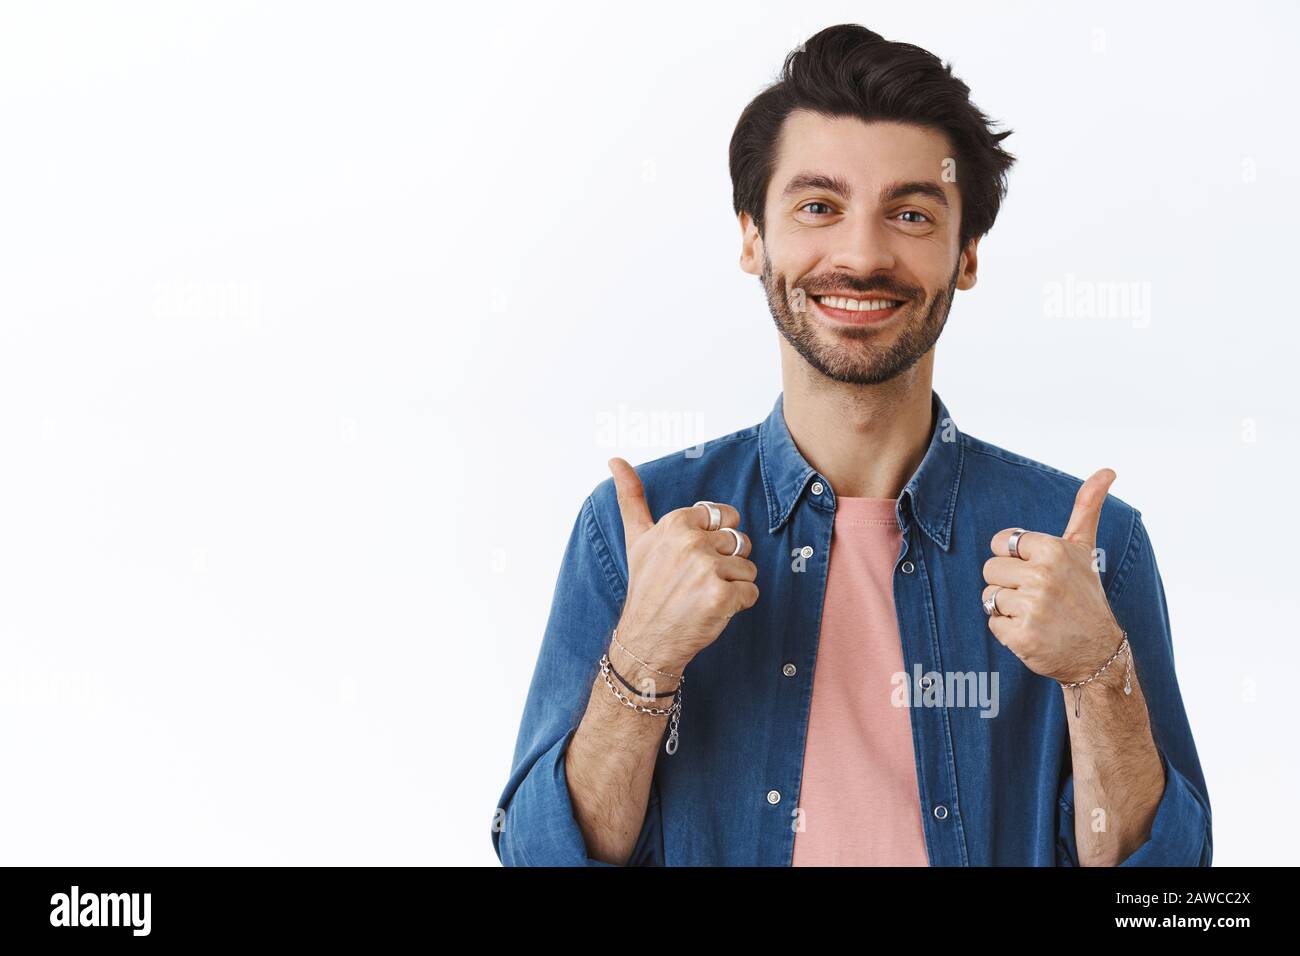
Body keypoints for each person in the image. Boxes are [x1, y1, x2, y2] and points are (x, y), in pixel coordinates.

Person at [491, 23, 1211, 866]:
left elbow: (1169, 898)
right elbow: (540, 857)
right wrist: (642, 660)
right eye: (818, 207)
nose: (863, 255)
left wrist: (1100, 674)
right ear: (753, 236)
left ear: (967, 253)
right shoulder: (634, 536)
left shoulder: (1090, 547)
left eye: (910, 213)